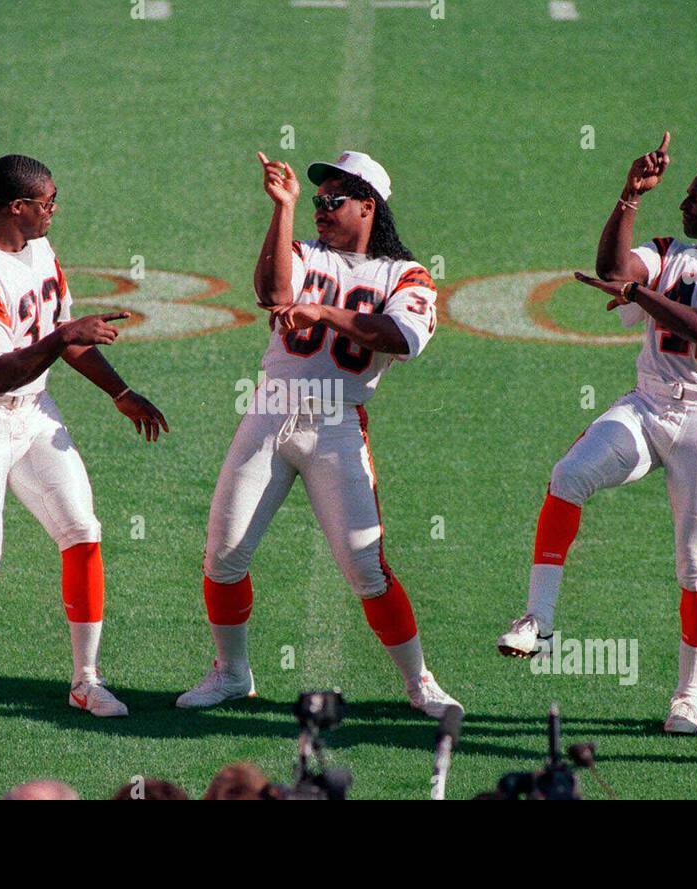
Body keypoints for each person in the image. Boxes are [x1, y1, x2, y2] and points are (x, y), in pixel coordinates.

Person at [497, 134, 697, 734]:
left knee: (695, 564)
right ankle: (537, 621)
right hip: (646, 402)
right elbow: (613, 270)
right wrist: (628, 197)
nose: (684, 204)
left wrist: (637, 294)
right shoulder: (672, 250)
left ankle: (687, 697)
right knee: (568, 475)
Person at [176, 150, 459, 718]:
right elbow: (273, 294)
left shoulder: (405, 275)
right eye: (318, 200)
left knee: (365, 567)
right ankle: (232, 674)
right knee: (223, 556)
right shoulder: (305, 251)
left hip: (338, 423)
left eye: (334, 200)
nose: (321, 210)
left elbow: (404, 339)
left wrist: (326, 315)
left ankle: (418, 680)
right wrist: (282, 211)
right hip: (270, 412)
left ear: (368, 207)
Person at [0, 155, 168, 721]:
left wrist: (119, 391)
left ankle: (86, 680)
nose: (54, 210)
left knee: (82, 529)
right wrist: (60, 338)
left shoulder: (37, 250)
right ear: (17, 206)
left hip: (33, 409)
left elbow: (63, 338)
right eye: (47, 202)